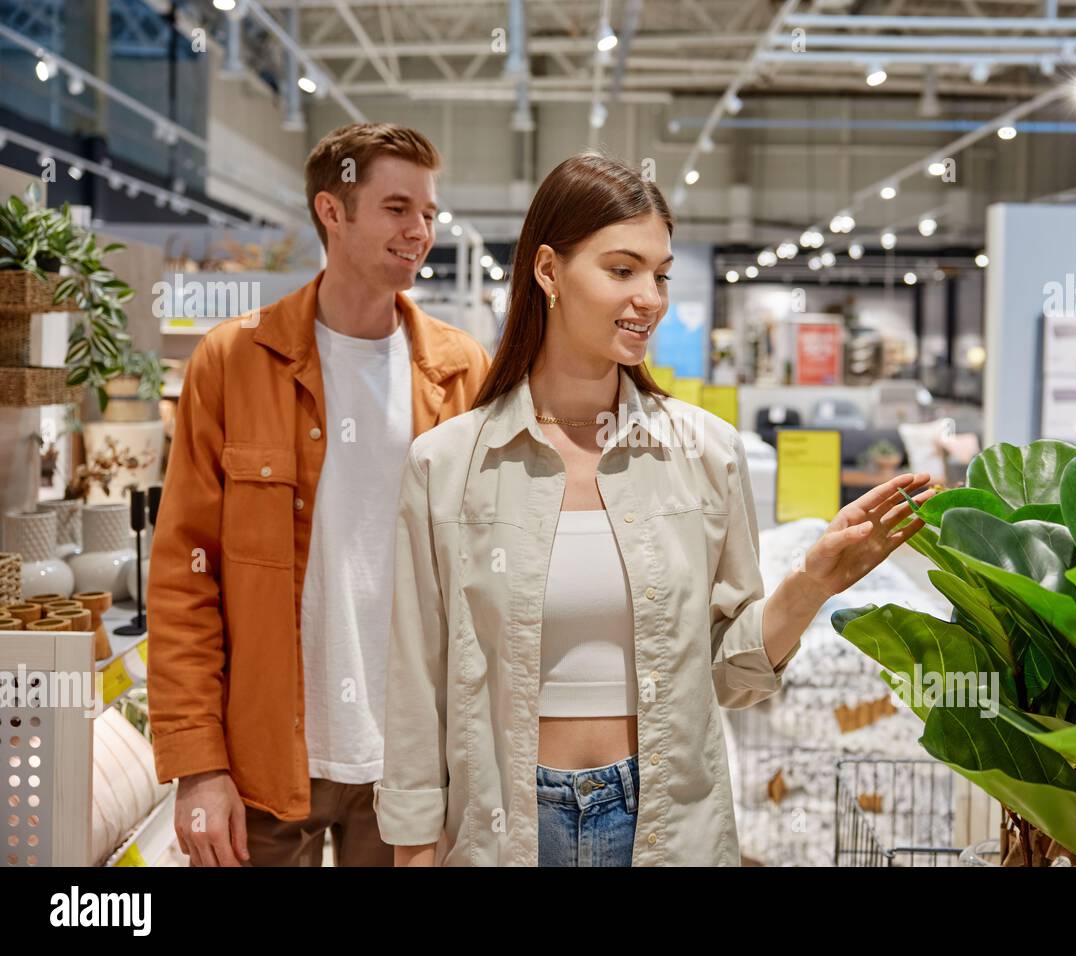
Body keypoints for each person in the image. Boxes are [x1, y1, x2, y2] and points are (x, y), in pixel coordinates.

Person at [373, 152, 934, 866]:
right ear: (548, 271)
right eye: (622, 269)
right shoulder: (446, 466)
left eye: (661, 274)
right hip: (506, 831)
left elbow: (731, 678)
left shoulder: (705, 454)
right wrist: (413, 848)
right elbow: (417, 685)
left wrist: (812, 582)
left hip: (665, 825)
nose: (651, 297)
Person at [147, 123, 491, 866]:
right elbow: (185, 572)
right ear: (332, 212)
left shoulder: (463, 372)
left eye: (429, 213)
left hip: (413, 763)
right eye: (398, 208)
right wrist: (197, 765)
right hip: (267, 766)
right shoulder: (234, 360)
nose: (421, 231)